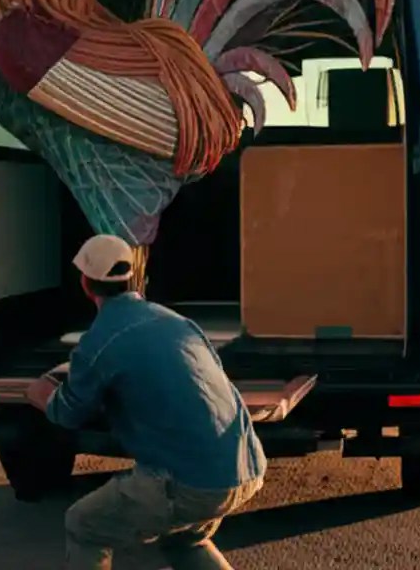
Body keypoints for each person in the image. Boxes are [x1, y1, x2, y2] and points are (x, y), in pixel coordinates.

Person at [25, 234, 265, 570]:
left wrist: (41, 394)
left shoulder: (99, 341)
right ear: (133, 278)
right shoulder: (178, 323)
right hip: (244, 467)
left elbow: (67, 412)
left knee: (83, 526)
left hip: (190, 483)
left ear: (84, 283)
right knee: (185, 538)